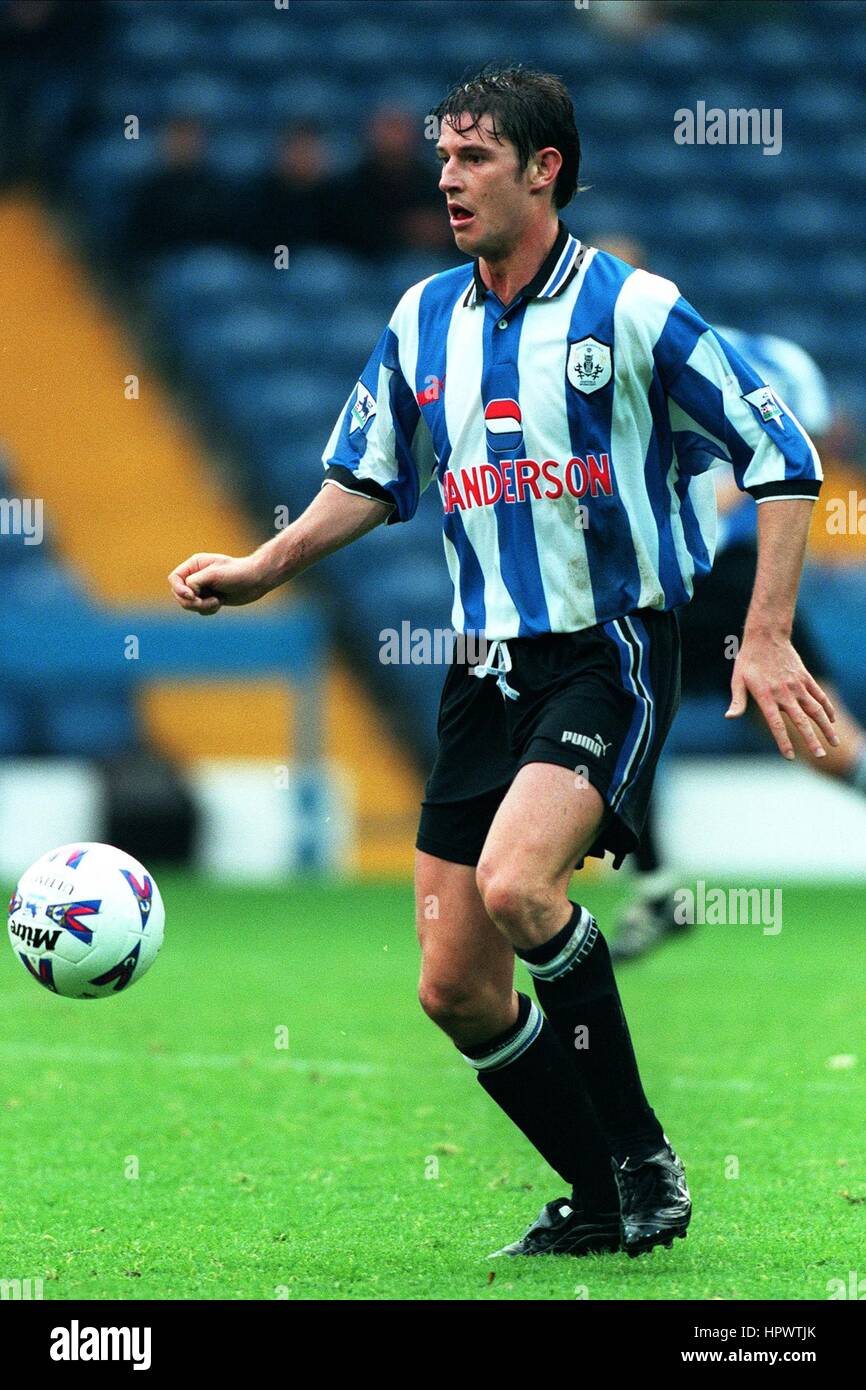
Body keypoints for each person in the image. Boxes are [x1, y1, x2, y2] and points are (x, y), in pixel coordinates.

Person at [168, 66, 834, 1259]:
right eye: (442, 156)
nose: (445, 176)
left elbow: (782, 451)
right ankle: (599, 1194)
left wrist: (769, 628)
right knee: (454, 987)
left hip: (607, 647)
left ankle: (640, 1157)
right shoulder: (422, 317)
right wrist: (267, 564)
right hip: (482, 669)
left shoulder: (633, 310)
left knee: (521, 888)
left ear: (545, 172)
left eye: (474, 157)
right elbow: (367, 476)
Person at [588, 239, 866, 961]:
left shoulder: (753, 357)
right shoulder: (590, 374)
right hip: (650, 581)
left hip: (733, 578)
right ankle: (657, 890)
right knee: (612, 725)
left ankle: (655, 890)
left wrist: (720, 493)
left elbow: (799, 443)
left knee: (815, 737)